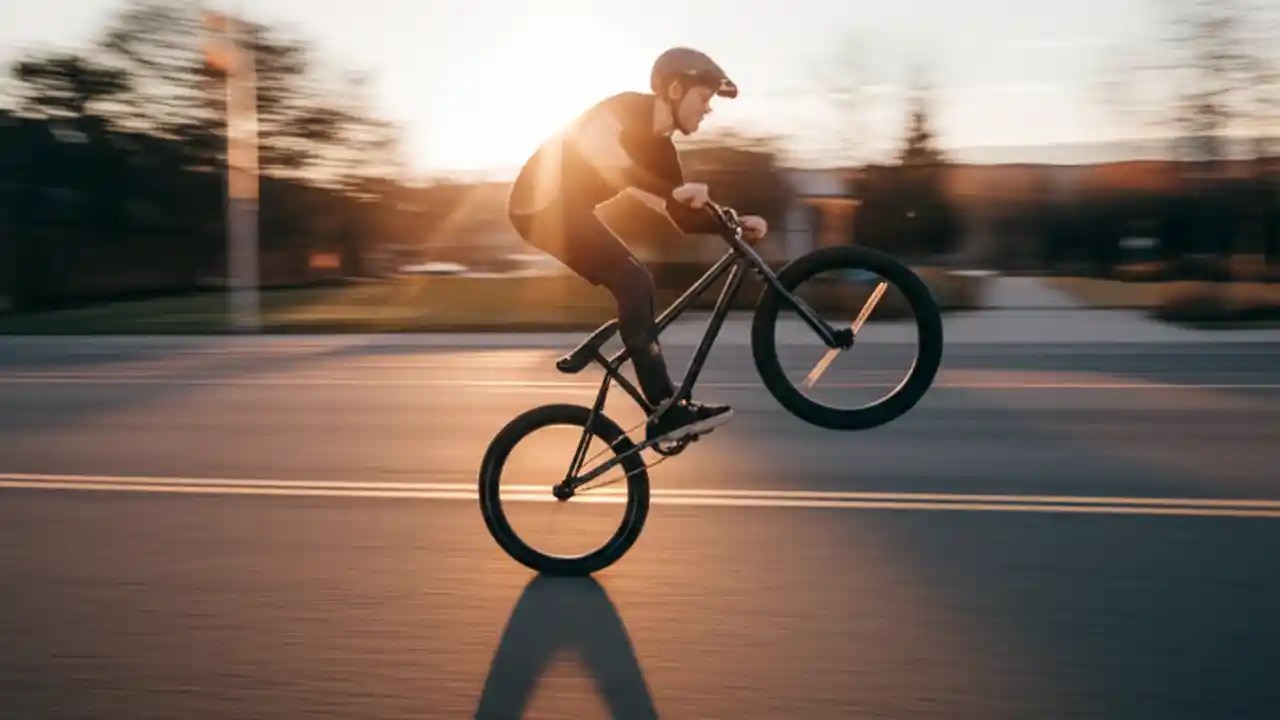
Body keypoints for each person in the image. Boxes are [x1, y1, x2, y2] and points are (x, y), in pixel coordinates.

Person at [508, 47, 768, 444]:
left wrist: (731, 223)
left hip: (569, 210)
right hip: (539, 206)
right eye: (703, 98)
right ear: (675, 89)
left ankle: (659, 400)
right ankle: (665, 407)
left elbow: (679, 214)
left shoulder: (663, 153)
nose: (707, 110)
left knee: (636, 280)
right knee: (634, 279)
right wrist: (674, 190)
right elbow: (606, 161)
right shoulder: (623, 109)